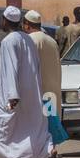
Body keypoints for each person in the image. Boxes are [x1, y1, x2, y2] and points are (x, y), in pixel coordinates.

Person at [0, 5, 60, 158]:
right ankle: (44, 156)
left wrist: (13, 95)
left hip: (13, 93)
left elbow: (10, 69)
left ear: (5, 21)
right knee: (31, 128)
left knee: (0, 126)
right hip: (32, 91)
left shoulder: (8, 41)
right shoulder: (27, 39)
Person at [24, 9, 65, 146]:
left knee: (38, 126)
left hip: (38, 92)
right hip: (52, 91)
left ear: (27, 25)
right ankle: (50, 150)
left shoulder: (30, 40)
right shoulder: (51, 41)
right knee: (50, 124)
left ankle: (41, 152)